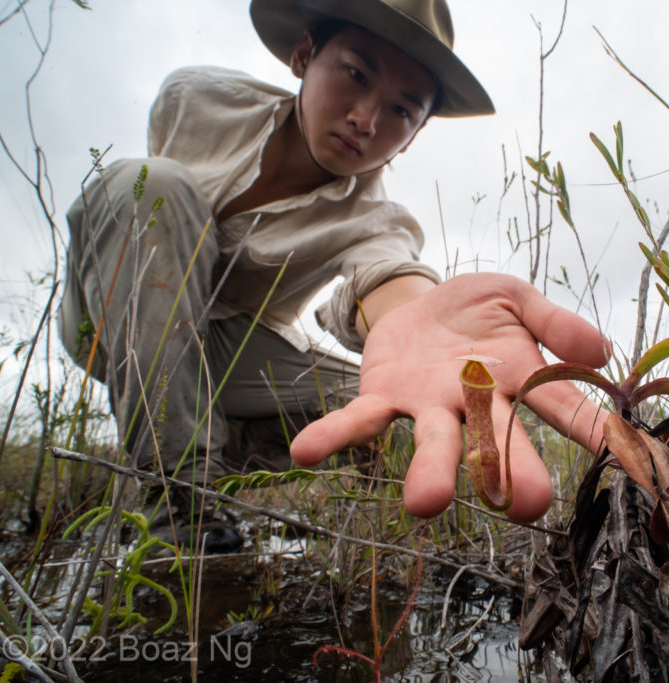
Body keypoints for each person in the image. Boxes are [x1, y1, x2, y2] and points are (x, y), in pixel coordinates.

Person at [58, 0, 608, 552]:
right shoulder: (198, 99)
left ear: (413, 135)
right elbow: (138, 227)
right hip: (108, 318)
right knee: (151, 184)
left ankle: (232, 450)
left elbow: (391, 278)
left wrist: (418, 320)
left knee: (385, 403)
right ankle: (179, 505)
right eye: (355, 74)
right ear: (303, 55)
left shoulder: (377, 222)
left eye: (401, 110)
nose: (366, 120)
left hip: (229, 351)